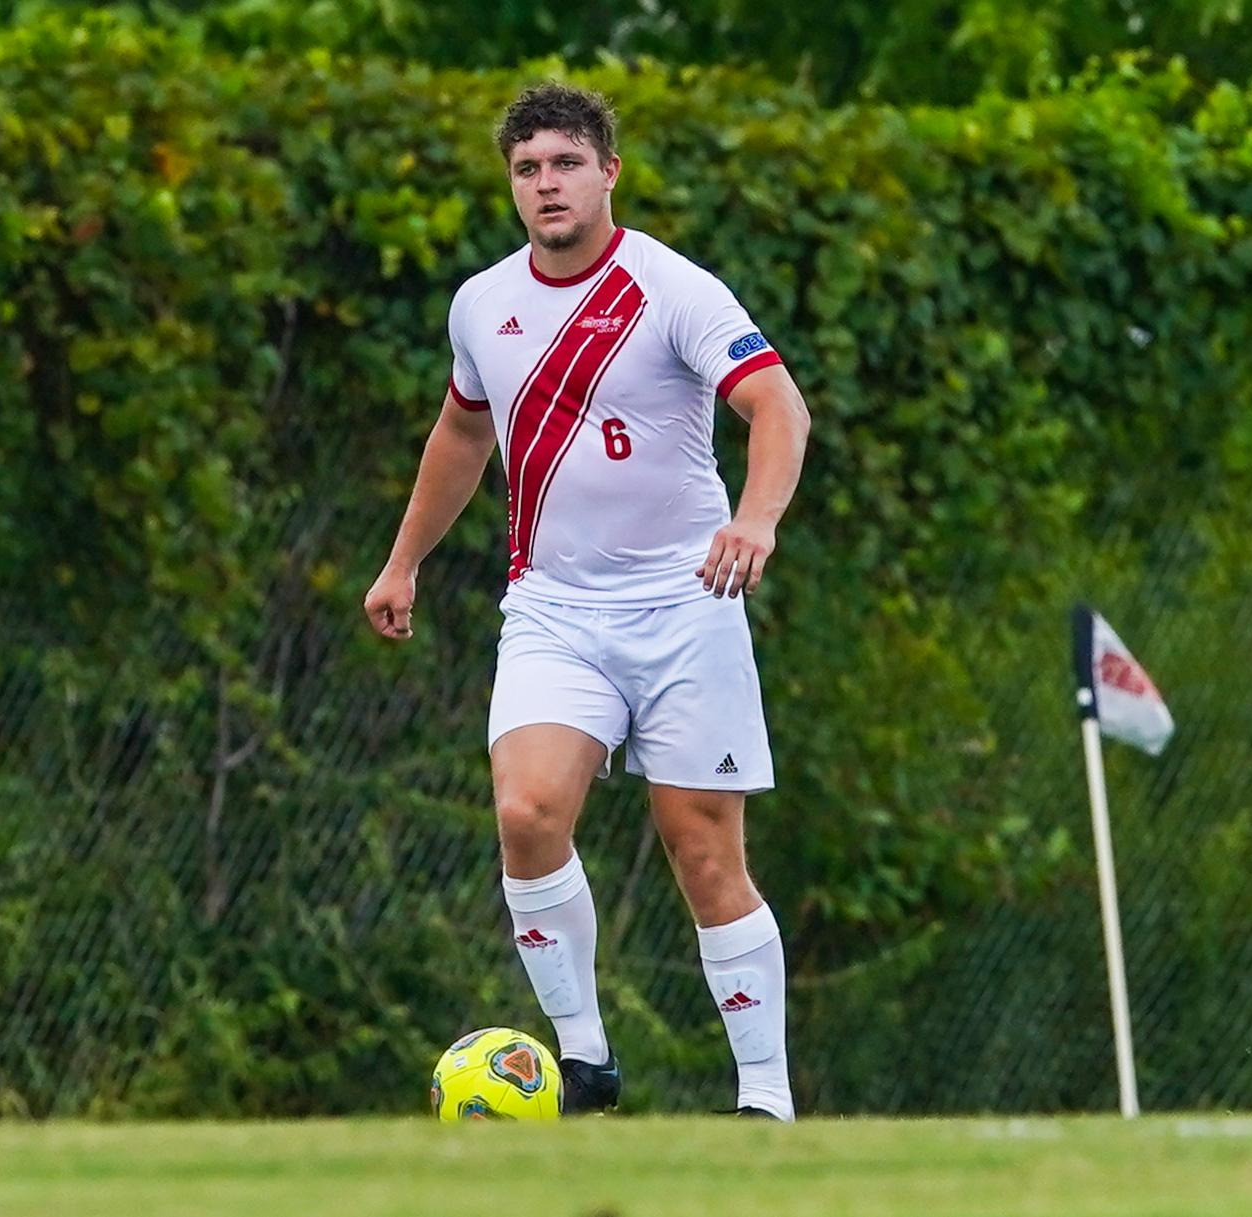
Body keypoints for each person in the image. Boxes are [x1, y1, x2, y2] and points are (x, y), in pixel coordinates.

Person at [362, 82, 810, 1121]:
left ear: (608, 171)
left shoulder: (672, 289)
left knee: (701, 848)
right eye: (527, 169)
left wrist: (755, 520)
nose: (546, 184)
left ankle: (764, 1098)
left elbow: (773, 404)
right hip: (556, 607)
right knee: (524, 810)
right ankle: (585, 1059)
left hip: (684, 599)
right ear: (511, 185)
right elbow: (463, 434)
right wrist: (403, 562)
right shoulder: (481, 303)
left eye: (565, 163)